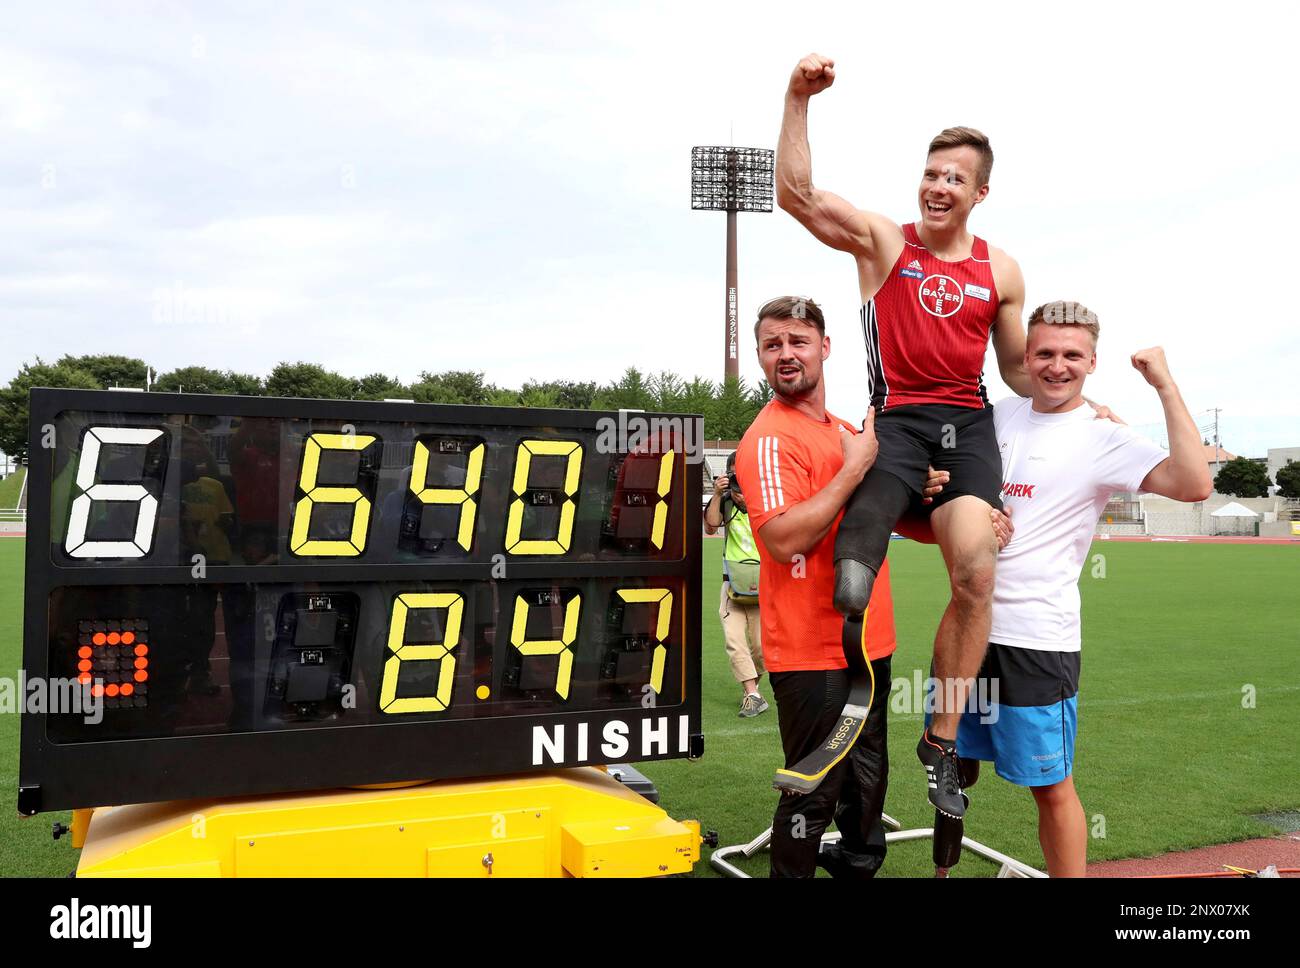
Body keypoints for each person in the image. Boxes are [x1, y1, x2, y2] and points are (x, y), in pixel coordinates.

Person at [776, 52, 1033, 818]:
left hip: (970, 425)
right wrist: (798, 96)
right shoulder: (887, 244)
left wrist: (1087, 402)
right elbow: (796, 196)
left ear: (980, 192)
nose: (938, 184)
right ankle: (846, 664)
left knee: (978, 573)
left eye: (955, 177)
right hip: (899, 422)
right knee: (853, 566)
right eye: (931, 171)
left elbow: (1019, 374)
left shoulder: (1003, 270)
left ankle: (941, 744)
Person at [947, 300, 1212, 876]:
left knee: (1051, 788)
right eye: (1044, 352)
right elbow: (946, 480)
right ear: (1026, 357)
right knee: (948, 760)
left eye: (1072, 355)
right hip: (966, 627)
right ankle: (943, 868)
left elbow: (1194, 483)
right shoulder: (995, 417)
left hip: (1037, 640)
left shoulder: (1102, 436)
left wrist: (1163, 383)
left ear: (1092, 361)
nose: (1057, 365)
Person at [733, 295, 897, 878]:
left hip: (870, 641)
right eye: (772, 344)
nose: (786, 354)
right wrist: (855, 470)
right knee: (813, 789)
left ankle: (856, 866)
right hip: (811, 652)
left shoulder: (847, 431)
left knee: (867, 779)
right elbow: (782, 540)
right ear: (758, 354)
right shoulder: (771, 439)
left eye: (798, 341)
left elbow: (887, 514)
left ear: (825, 348)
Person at [703, 452, 768, 717]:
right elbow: (711, 527)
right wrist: (719, 495)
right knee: (734, 641)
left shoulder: (767, 499)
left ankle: (752, 691)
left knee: (762, 648)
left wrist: (751, 501)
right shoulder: (726, 501)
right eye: (733, 474)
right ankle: (752, 693)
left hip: (765, 582)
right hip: (731, 584)